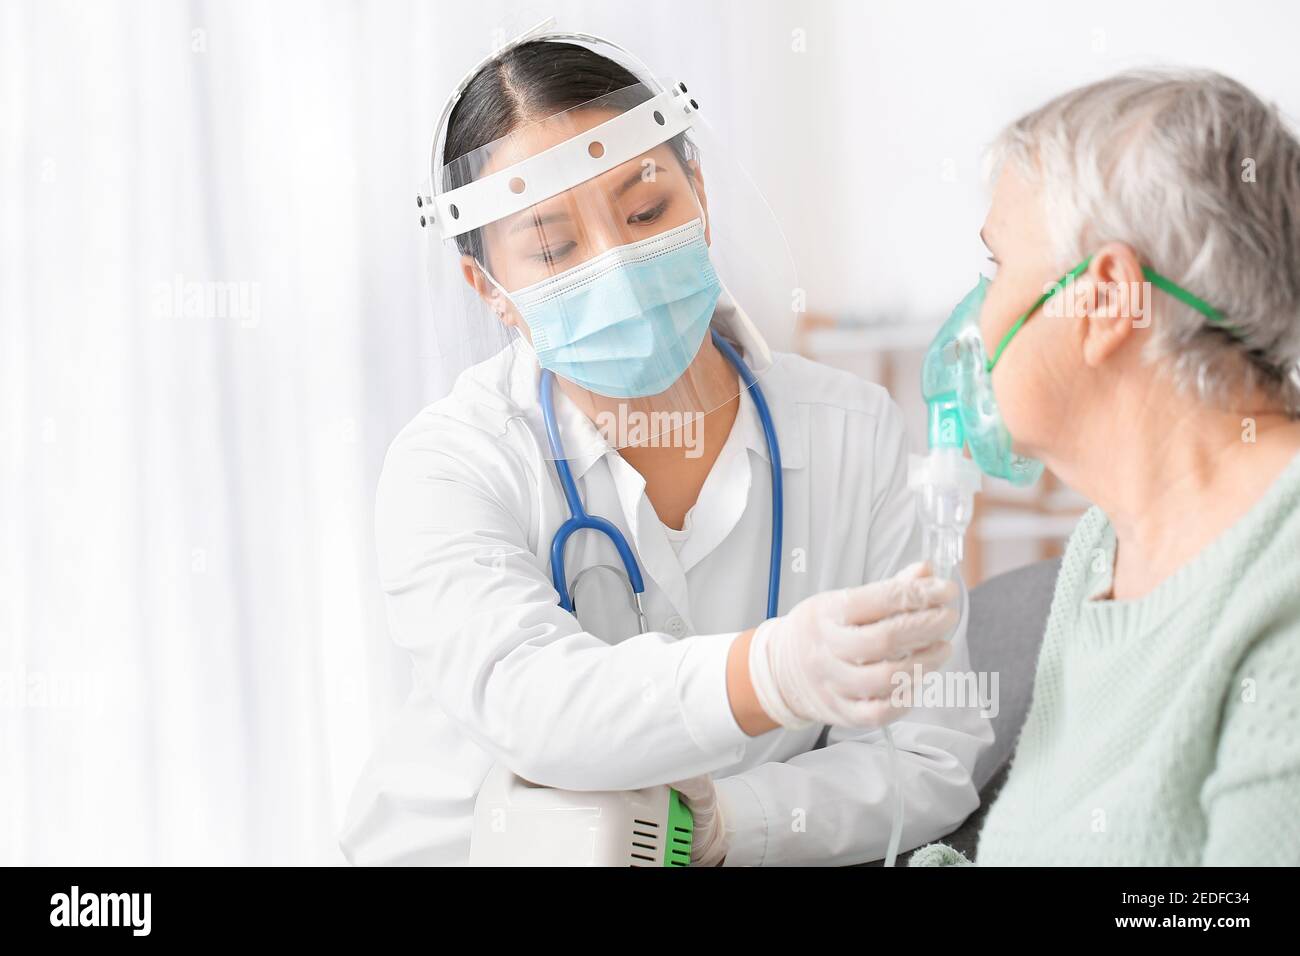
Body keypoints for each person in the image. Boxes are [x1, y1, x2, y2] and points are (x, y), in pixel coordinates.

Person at [340, 27, 991, 866]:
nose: (619, 261)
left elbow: (931, 757)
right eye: (552, 248)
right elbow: (535, 707)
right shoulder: (452, 465)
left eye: (647, 210)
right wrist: (772, 673)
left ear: (701, 194)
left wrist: (732, 823)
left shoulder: (851, 430)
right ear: (489, 288)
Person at [913, 69, 1300, 866]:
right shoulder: (1108, 548)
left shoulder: (1280, 586)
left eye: (996, 268)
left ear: (1104, 300)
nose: (974, 317)